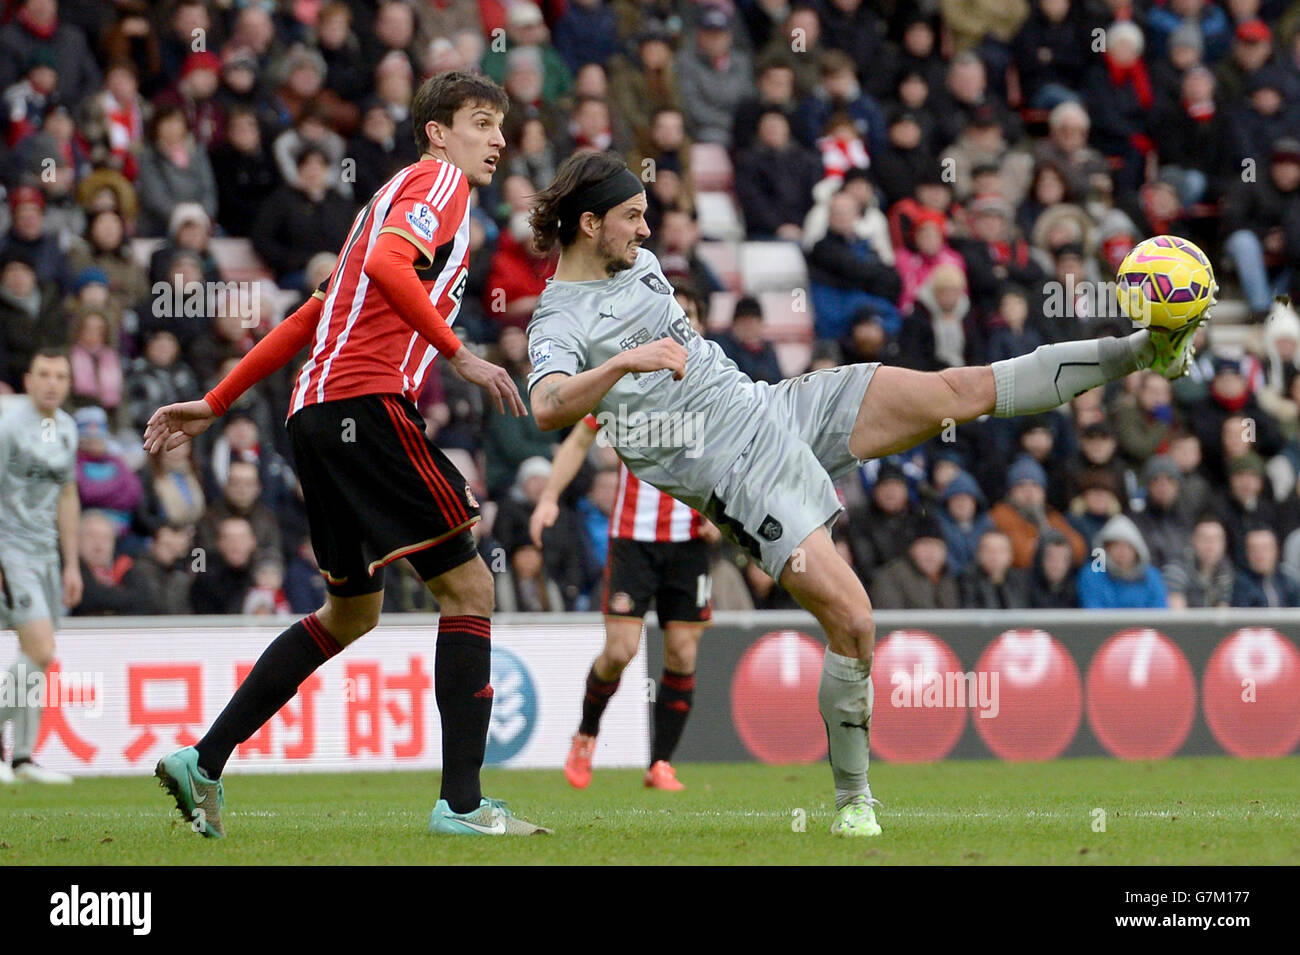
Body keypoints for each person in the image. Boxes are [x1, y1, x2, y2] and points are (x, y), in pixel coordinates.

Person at [523, 150, 1208, 838]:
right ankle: (854, 797)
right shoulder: (557, 320)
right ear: (589, 224)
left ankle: (1145, 349)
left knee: (958, 388)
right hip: (735, 475)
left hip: (775, 407)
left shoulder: (635, 264)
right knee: (854, 620)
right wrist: (622, 363)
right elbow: (548, 406)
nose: (647, 231)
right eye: (632, 217)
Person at [143, 72, 548, 839]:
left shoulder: (384, 199)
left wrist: (217, 400)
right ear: (437, 131)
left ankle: (204, 758)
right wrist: (459, 353)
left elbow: (313, 311)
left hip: (314, 415)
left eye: (500, 126)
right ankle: (462, 806)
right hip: (365, 402)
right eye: (482, 122)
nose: (498, 139)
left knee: (351, 611)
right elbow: (394, 272)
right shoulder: (439, 184)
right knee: (469, 587)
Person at [531, 298, 719, 792]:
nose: (681, 326)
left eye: (689, 317)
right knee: (619, 651)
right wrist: (549, 497)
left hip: (689, 543)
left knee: (681, 653)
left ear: (699, 326)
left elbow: (738, 456)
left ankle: (660, 764)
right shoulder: (626, 380)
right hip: (633, 539)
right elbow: (577, 441)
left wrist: (725, 515)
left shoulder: (717, 388)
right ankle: (586, 736)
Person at [0, 349, 81, 784]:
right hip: (9, 549)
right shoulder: (7, 426)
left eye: (61, 376)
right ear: (28, 380)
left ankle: (22, 758)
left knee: (36, 658)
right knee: (40, 649)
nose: (52, 383)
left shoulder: (67, 428)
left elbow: (67, 496)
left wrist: (71, 564)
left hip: (46, 553)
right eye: (44, 374)